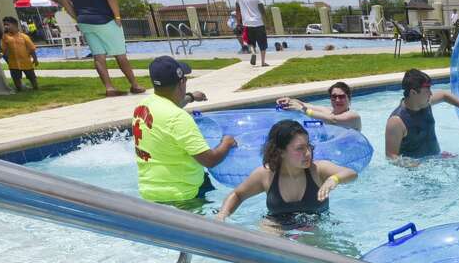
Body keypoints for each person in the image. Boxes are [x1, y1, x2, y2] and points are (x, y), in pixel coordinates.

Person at [132, 56, 235, 210]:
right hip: (184, 196)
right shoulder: (179, 118)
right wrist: (227, 142)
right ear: (182, 82)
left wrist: (191, 97)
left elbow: (169, 107)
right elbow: (209, 160)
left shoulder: (143, 106)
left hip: (149, 191)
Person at [215, 120, 357, 228]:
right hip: (277, 226)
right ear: (281, 152)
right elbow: (238, 195)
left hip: (317, 225)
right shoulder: (266, 175)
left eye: (308, 146)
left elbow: (351, 173)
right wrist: (222, 216)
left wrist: (334, 179)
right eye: (299, 149)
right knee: (266, 233)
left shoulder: (318, 169)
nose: (308, 153)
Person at [57, 0, 145, 97]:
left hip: (85, 21)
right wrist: (117, 16)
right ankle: (135, 85)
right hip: (104, 19)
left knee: (98, 55)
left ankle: (109, 88)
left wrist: (76, 16)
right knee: (120, 53)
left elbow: (64, 0)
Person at [385, 69, 459, 162]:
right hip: (416, 170)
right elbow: (391, 156)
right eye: (427, 90)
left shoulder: (425, 103)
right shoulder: (396, 121)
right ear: (413, 93)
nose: (431, 94)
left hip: (436, 159)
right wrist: (412, 165)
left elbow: (444, 95)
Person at [277, 81, 361, 130]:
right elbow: (302, 104)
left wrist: (303, 110)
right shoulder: (327, 111)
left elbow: (333, 120)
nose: (337, 100)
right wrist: (289, 100)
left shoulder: (353, 116)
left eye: (341, 96)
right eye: (334, 96)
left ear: (349, 98)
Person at [233, 0, 268, 66]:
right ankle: (263, 62)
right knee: (262, 43)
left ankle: (253, 53)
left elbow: (237, 10)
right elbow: (262, 11)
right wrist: (267, 22)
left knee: (250, 42)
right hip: (258, 23)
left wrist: (238, 23)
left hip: (247, 24)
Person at [0, 17, 39, 91]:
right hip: (13, 63)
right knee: (16, 78)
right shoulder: (5, 37)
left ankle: (35, 87)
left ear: (15, 25)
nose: (5, 27)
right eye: (4, 25)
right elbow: (4, 49)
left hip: (26, 62)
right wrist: (1, 54)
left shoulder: (24, 37)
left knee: (31, 77)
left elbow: (32, 49)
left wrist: (35, 59)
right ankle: (19, 89)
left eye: (7, 24)